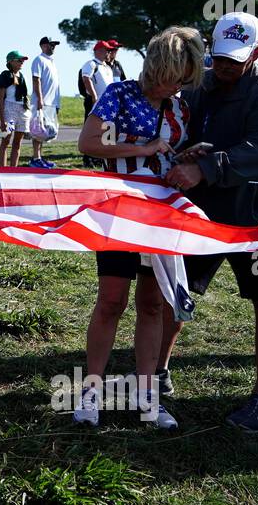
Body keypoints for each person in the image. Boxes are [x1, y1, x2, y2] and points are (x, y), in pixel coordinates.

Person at [164, 12, 258, 433]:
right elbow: (180, 127)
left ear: (257, 53)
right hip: (206, 211)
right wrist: (183, 151)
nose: (223, 67)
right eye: (218, 57)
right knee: (176, 289)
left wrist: (206, 169)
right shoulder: (201, 83)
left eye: (234, 61)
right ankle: (156, 373)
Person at [73, 26, 205, 429]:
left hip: (162, 217)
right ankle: (90, 392)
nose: (176, 85)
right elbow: (88, 144)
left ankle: (148, 397)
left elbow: (172, 153)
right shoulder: (119, 94)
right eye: (172, 76)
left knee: (153, 305)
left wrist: (188, 157)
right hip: (119, 212)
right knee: (112, 301)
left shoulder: (181, 107)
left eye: (184, 79)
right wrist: (141, 148)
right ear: (155, 66)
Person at [79, 40, 118, 169]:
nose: (109, 53)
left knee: (108, 129)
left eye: (109, 50)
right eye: (106, 50)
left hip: (109, 104)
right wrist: (94, 96)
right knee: (93, 130)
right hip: (95, 102)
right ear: (98, 51)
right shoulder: (91, 64)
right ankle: (88, 157)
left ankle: (105, 156)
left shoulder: (107, 67)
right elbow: (86, 78)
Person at [28, 35, 62, 168]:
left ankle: (39, 158)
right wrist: (40, 99)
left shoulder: (52, 62)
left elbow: (55, 85)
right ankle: (35, 158)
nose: (52, 47)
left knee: (45, 131)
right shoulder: (39, 60)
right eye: (50, 44)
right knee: (38, 130)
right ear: (43, 46)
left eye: (54, 45)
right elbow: (36, 80)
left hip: (51, 103)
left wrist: (57, 103)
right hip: (42, 101)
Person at [0, 51, 29, 167]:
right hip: (9, 109)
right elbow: (0, 99)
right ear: (10, 61)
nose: (22, 62)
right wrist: (2, 120)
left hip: (22, 110)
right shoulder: (5, 75)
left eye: (22, 60)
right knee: (6, 139)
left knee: (18, 142)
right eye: (19, 60)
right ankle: (2, 169)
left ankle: (14, 169)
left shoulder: (22, 77)